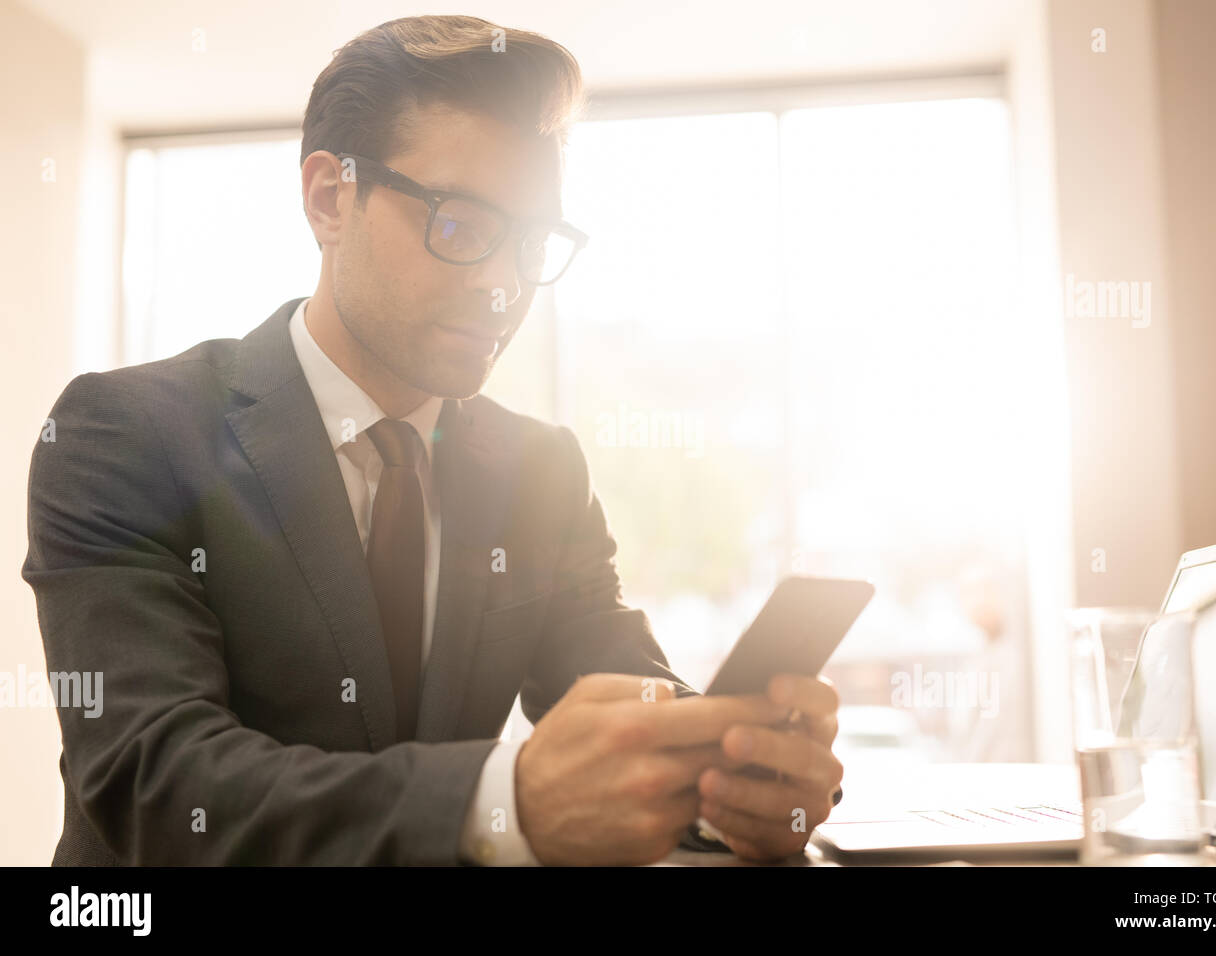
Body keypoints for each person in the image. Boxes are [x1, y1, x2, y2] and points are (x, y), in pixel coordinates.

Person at [22, 14, 842, 867]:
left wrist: (730, 769)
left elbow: (624, 684)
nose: (502, 286)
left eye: (530, 242)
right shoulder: (125, 434)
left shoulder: (538, 472)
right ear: (329, 198)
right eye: (457, 223)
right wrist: (503, 802)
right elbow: (158, 787)